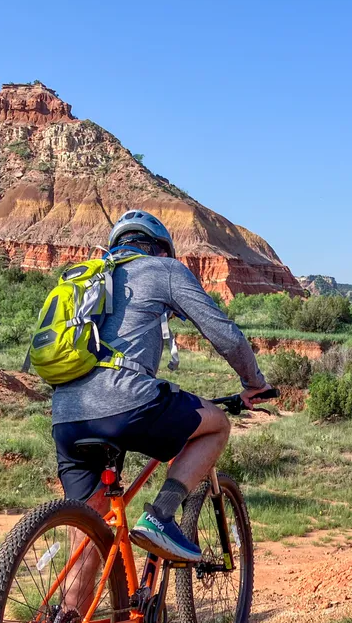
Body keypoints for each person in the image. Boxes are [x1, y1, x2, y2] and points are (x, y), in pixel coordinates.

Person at [51, 209, 273, 567]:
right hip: (127, 402)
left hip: (65, 415)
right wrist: (253, 382)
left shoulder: (87, 280)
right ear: (162, 250)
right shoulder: (164, 269)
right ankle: (161, 516)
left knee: (89, 534)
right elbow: (224, 335)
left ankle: (67, 622)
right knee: (216, 424)